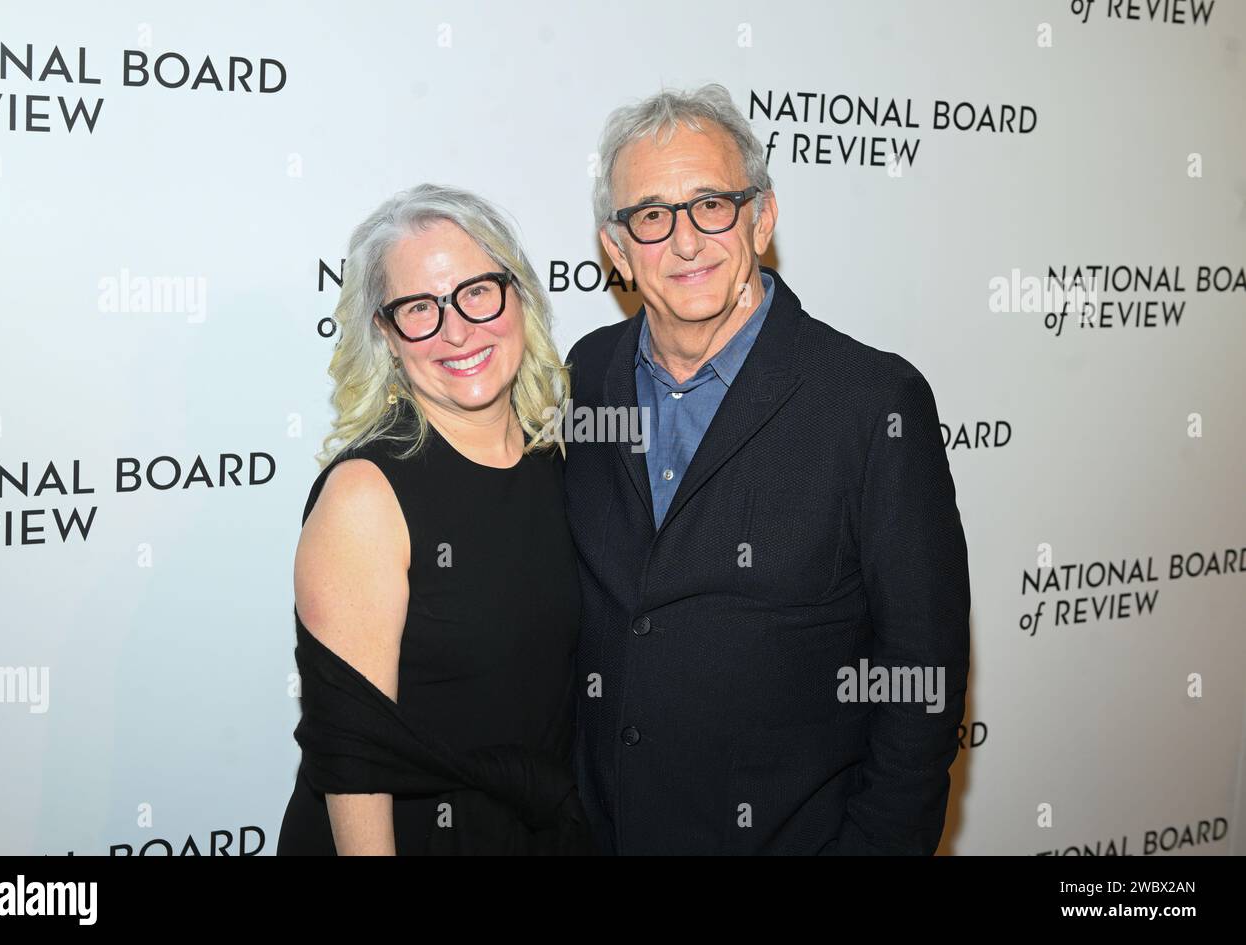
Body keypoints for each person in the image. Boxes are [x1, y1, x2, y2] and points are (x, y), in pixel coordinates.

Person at [564, 84, 972, 854]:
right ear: (616, 248)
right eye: (651, 215)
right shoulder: (586, 375)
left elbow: (919, 684)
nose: (685, 243)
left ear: (762, 217)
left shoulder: (872, 403)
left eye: (712, 203)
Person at [278, 183, 592, 855]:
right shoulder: (367, 496)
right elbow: (352, 756)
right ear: (387, 337)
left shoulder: (558, 461)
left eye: (477, 291)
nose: (457, 329)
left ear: (519, 295)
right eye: (419, 308)